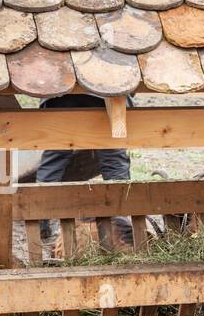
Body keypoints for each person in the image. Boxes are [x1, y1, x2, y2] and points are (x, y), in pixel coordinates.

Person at [34, 94, 136, 251]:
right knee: (113, 159)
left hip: (60, 96)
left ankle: (40, 221)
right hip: (107, 95)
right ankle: (121, 224)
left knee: (55, 156)